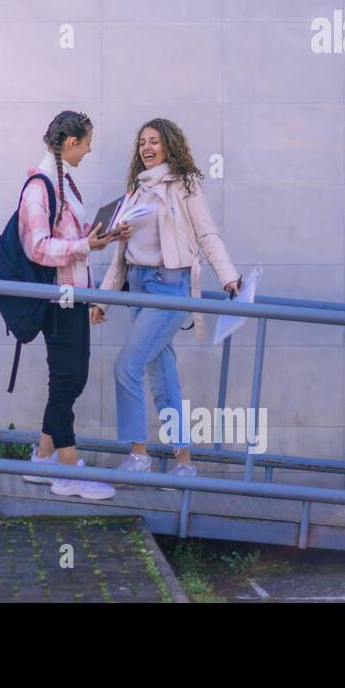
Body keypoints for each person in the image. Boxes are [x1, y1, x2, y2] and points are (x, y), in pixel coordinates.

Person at [91, 118, 241, 477]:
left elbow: (207, 235)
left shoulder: (184, 186)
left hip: (170, 287)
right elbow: (119, 259)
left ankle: (139, 455)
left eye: (154, 141)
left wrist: (229, 277)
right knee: (163, 374)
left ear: (169, 146)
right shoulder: (136, 191)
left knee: (127, 366)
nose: (146, 148)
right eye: (142, 142)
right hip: (139, 288)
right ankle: (184, 462)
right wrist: (102, 300)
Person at [19, 110, 131, 500]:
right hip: (57, 301)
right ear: (70, 144)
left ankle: (43, 459)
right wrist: (86, 245)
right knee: (68, 381)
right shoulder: (40, 187)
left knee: (69, 379)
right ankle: (69, 472)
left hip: (74, 296)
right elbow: (36, 248)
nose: (88, 151)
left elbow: (68, 237)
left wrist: (104, 236)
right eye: (86, 144)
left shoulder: (63, 182)